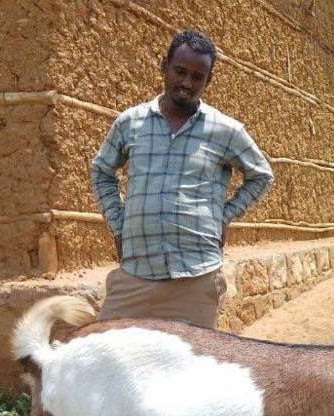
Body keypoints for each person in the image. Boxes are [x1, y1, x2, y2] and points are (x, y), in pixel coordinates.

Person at [90, 29, 274, 329]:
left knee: (191, 359)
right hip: (135, 273)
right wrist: (118, 226)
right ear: (164, 66)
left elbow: (261, 175)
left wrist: (223, 217)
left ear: (208, 80)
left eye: (197, 76)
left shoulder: (225, 131)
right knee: (108, 352)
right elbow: (101, 172)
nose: (187, 83)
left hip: (196, 278)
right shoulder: (130, 123)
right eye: (180, 71)